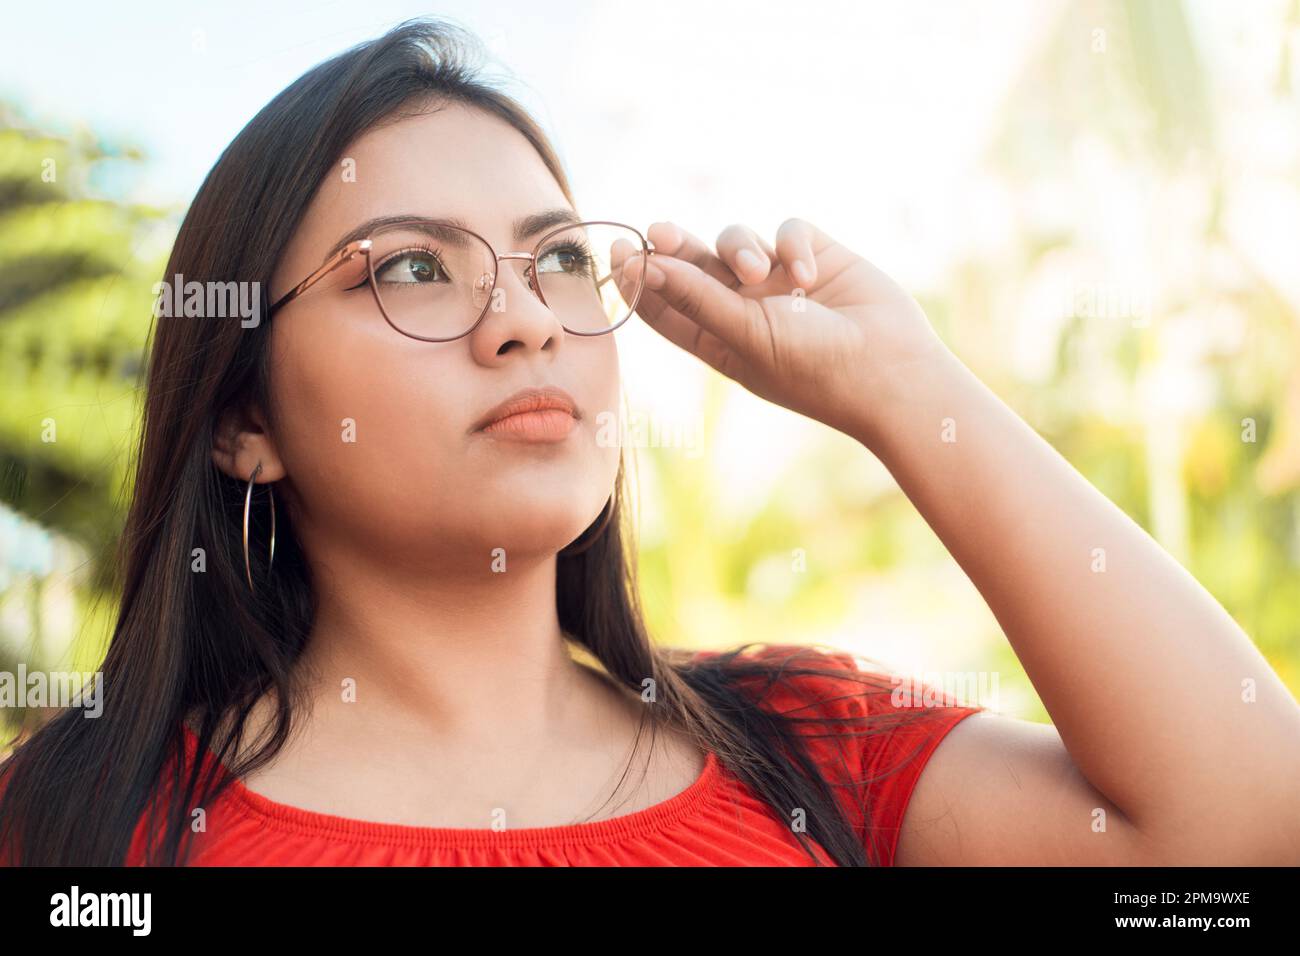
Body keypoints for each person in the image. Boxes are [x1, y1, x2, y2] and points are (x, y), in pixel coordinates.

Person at [1, 17, 1296, 867]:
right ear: (242, 423)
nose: (523, 324)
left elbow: (1242, 831)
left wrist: (906, 388)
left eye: (559, 256)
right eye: (411, 269)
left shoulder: (808, 751)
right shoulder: (76, 825)